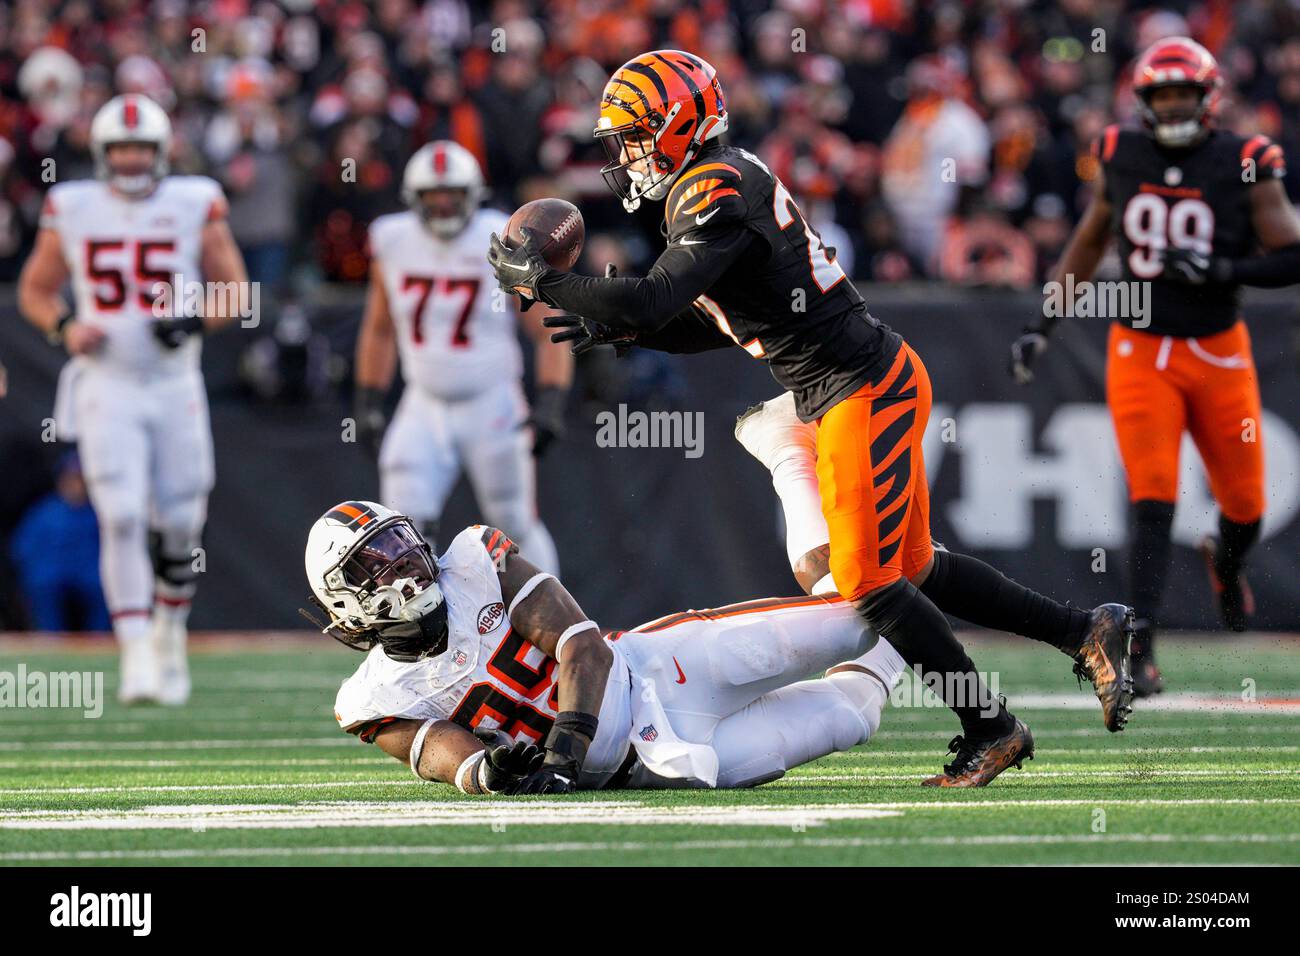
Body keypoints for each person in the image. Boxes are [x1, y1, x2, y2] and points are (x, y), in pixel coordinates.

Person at [488, 50, 1131, 786]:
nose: (625, 152)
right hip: (846, 387)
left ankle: (991, 725)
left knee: (865, 581)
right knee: (914, 568)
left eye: (635, 133)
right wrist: (618, 322)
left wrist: (552, 283)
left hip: (863, 387)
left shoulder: (712, 189)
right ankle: (1084, 630)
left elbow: (654, 300)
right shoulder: (713, 181)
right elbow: (710, 319)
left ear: (678, 125)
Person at [1009, 38, 1300, 695]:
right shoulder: (1120, 152)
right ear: (1144, 101)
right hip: (1139, 349)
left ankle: (1227, 562)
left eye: (1182, 95)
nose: (1172, 106)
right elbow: (1089, 240)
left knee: (1247, 505)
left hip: (1218, 350)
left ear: (1207, 98)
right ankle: (1139, 654)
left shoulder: (1245, 161)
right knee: (1152, 498)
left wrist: (1223, 269)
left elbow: (1291, 254)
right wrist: (1042, 325)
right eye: (1161, 95)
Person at [306, 500, 903, 793]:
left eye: (397, 543)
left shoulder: (471, 561)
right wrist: (485, 774)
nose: (404, 561)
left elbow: (581, 647)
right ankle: (924, 584)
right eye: (375, 562)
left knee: (858, 616)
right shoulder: (371, 697)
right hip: (645, 770)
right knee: (851, 714)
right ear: (346, 597)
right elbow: (445, 752)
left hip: (661, 673)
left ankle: (796, 472)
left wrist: (562, 755)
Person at [17, 93, 249, 704]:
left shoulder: (193, 200)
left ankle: (169, 628)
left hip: (174, 384)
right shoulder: (70, 204)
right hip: (107, 385)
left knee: (179, 520)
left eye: (139, 148)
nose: (129, 159)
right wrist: (65, 326)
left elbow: (236, 289)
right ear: (100, 153)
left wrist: (193, 321)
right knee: (119, 515)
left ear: (160, 151)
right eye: (119, 149)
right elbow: (36, 290)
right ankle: (136, 650)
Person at [353, 141, 570, 570]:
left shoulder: (504, 237)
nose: (444, 207)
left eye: (452, 196)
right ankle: (420, 634)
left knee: (514, 523)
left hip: (492, 401)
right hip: (423, 403)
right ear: (414, 201)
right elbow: (379, 330)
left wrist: (551, 399)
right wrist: (368, 399)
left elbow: (549, 327)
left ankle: (555, 626)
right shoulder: (392, 240)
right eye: (433, 198)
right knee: (400, 529)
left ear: (473, 195)